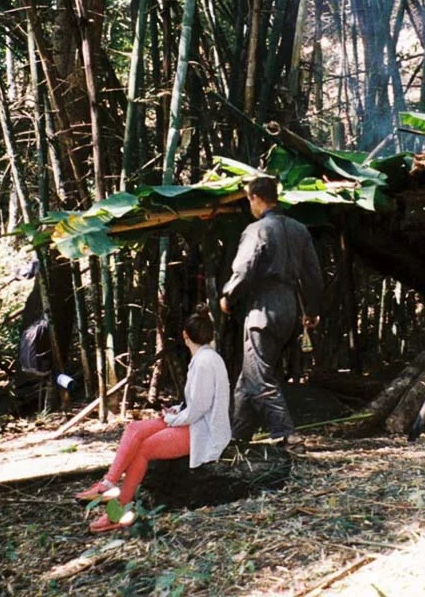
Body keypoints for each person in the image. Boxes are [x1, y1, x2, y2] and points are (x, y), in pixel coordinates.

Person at [75, 306, 231, 533]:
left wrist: (171, 420)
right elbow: (192, 403)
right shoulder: (204, 357)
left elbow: (199, 409)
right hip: (191, 421)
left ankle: (117, 511)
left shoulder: (206, 361)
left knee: (144, 448)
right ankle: (108, 483)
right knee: (134, 428)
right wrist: (174, 411)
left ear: (185, 335)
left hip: (202, 430)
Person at [220, 174, 322, 450]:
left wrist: (229, 296)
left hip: (263, 308)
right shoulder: (300, 229)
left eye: (248, 200)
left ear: (255, 198)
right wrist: (310, 310)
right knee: (249, 374)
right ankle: (236, 438)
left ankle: (288, 435)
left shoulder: (257, 230)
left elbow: (244, 269)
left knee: (259, 375)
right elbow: (314, 274)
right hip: (289, 308)